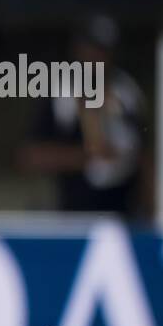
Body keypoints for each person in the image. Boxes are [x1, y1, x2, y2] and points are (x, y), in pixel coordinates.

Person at [19, 17, 145, 214]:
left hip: (122, 215)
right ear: (78, 49)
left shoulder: (126, 93)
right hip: (72, 217)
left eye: (103, 51)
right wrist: (88, 156)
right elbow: (31, 156)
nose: (96, 58)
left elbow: (143, 156)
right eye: (92, 49)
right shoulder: (59, 93)